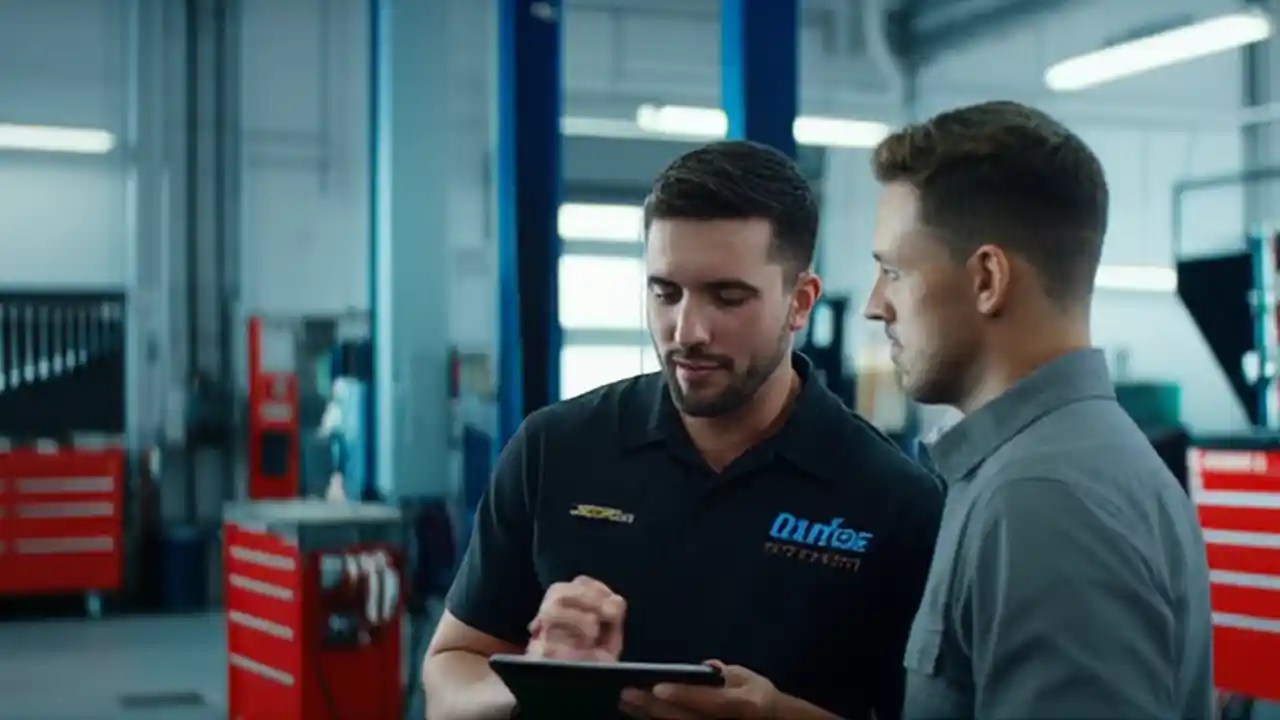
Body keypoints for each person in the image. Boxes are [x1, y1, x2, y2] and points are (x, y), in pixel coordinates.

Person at [424, 140, 944, 720]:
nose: (686, 330)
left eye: (727, 298)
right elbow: (449, 673)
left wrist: (779, 716)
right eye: (665, 292)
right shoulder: (554, 450)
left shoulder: (897, 500)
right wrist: (541, 682)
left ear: (800, 303)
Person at [862, 100, 1213, 719]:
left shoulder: (1042, 497)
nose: (874, 305)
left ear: (988, 279)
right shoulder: (1063, 463)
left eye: (893, 271)